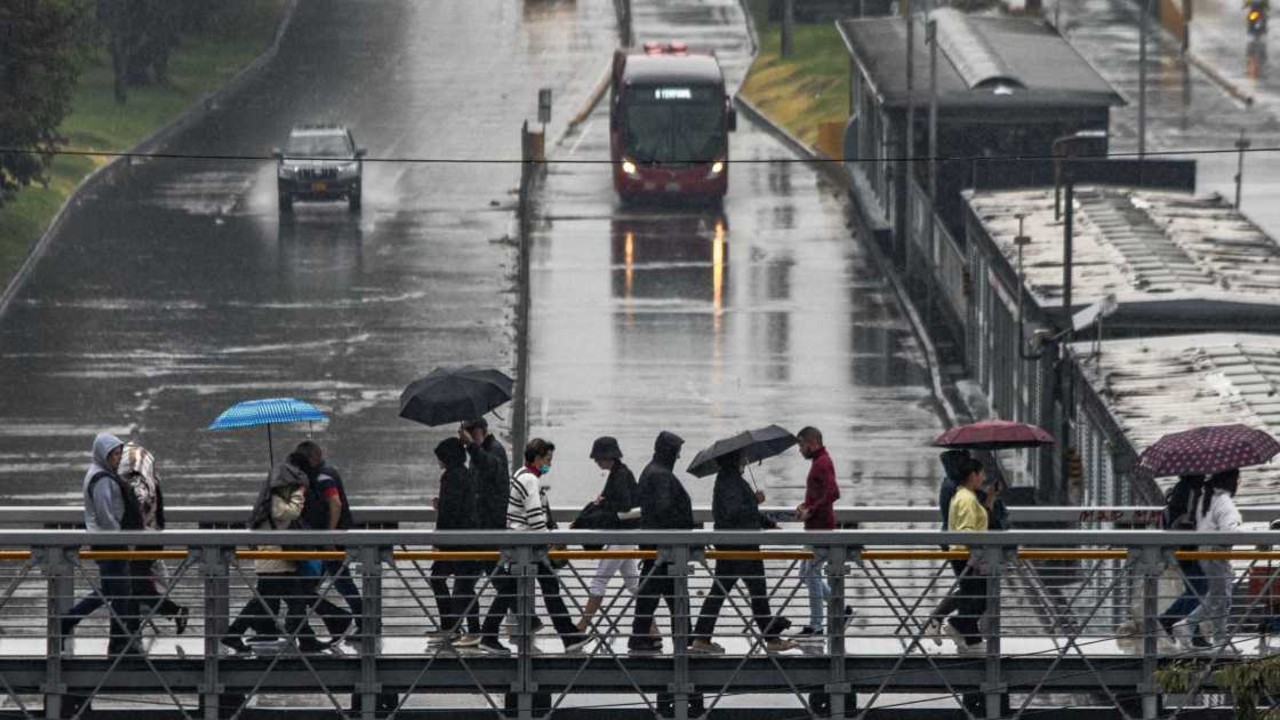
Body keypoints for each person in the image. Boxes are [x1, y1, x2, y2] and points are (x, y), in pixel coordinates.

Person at [64, 442, 189, 640]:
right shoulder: (150, 479)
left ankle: (126, 634)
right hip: (142, 541)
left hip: (135, 543)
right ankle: (127, 634)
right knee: (124, 587)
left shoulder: (131, 480)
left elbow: (118, 513)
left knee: (128, 587)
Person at [477, 438, 592, 655]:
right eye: (548, 459)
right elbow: (535, 519)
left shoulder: (521, 474)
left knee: (542, 587)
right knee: (535, 588)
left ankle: (567, 636)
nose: (550, 464)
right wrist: (551, 541)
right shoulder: (530, 480)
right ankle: (489, 636)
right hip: (527, 547)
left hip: (522, 546)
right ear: (537, 458)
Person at [690, 450, 796, 654]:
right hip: (741, 547)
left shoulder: (728, 480)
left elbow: (745, 512)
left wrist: (767, 522)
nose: (744, 462)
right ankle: (771, 639)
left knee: (722, 592)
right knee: (756, 591)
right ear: (734, 460)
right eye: (741, 459)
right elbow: (736, 513)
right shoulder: (730, 482)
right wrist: (755, 502)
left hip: (732, 546)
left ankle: (702, 638)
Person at [223, 452, 329, 655]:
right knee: (293, 600)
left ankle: (305, 639)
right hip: (275, 558)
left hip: (275, 558)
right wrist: (298, 494)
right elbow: (287, 513)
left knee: (271, 600)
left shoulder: (274, 493)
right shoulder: (278, 495)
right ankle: (305, 638)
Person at [68, 432, 146, 657]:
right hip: (109, 544)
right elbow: (105, 515)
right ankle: (120, 643)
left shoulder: (101, 473)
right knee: (120, 593)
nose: (118, 457)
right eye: (114, 453)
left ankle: (70, 623)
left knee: (113, 591)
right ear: (103, 454)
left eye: (119, 453)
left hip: (108, 542)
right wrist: (121, 540)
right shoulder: (101, 478)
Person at [628, 431, 696, 654]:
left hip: (657, 547)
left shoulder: (651, 471)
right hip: (666, 548)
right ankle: (683, 638)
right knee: (673, 595)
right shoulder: (661, 475)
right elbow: (665, 509)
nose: (678, 458)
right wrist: (686, 527)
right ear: (669, 452)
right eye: (677, 453)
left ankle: (641, 636)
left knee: (654, 594)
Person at [298, 441, 363, 642]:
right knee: (321, 583)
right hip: (324, 538)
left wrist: (330, 534)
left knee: (338, 582)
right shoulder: (319, 474)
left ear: (311, 458)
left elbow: (335, 503)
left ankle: (362, 622)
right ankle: (345, 620)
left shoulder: (323, 476)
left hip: (328, 540)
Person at [576, 436, 641, 633]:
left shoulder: (619, 475)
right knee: (633, 584)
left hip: (620, 537)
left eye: (598, 458)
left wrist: (601, 506)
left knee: (599, 581)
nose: (596, 461)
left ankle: (581, 627)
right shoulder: (621, 472)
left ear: (606, 457)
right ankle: (651, 630)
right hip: (626, 537)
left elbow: (623, 505)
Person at [1176, 468, 1242, 654]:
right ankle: (1208, 633)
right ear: (1232, 481)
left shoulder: (1207, 497)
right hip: (1216, 554)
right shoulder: (1224, 501)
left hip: (1204, 551)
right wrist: (1238, 526)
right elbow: (1229, 531)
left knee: (1218, 596)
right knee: (1221, 597)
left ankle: (1199, 630)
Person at [793, 427, 847, 637]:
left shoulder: (822, 462)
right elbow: (820, 494)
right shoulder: (819, 461)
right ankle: (841, 611)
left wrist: (812, 510)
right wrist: (804, 506)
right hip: (815, 527)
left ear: (813, 442)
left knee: (810, 573)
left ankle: (816, 625)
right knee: (804, 573)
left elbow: (833, 492)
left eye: (801, 445)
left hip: (821, 528)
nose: (800, 450)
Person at [429, 437, 481, 648]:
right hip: (465, 540)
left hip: (454, 542)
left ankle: (454, 626)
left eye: (440, 458)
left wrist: (437, 540)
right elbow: (459, 506)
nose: (438, 462)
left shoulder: (450, 477)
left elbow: (449, 513)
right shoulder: (465, 474)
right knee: (462, 584)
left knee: (446, 581)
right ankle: (454, 626)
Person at [941, 457, 990, 654]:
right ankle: (958, 625)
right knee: (981, 597)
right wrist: (976, 556)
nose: (983, 477)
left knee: (972, 596)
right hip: (967, 556)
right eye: (981, 473)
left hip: (961, 554)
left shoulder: (961, 495)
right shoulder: (968, 499)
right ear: (973, 475)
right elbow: (967, 530)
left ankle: (971, 640)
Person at [1158, 474, 1210, 649]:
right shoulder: (1190, 491)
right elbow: (1190, 519)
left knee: (1196, 588)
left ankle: (1194, 633)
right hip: (1189, 548)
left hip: (1185, 547)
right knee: (1200, 589)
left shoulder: (1185, 489)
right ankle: (1168, 620)